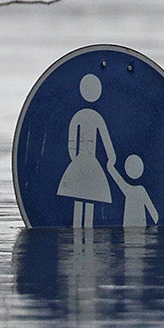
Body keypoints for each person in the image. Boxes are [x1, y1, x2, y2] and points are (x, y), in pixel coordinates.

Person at [56, 73, 117, 228]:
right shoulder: (92, 116)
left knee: (85, 198)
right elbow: (105, 141)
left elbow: (73, 142)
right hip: (87, 162)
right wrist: (111, 158)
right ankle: (84, 234)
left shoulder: (81, 116)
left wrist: (75, 159)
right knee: (87, 198)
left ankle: (81, 233)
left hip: (83, 161)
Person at [109, 154, 160, 228]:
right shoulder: (137, 190)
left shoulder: (131, 189)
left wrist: (110, 167)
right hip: (132, 226)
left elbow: (118, 180)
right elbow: (153, 212)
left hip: (134, 225)